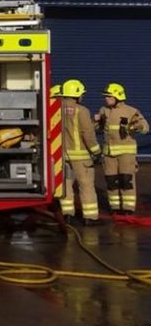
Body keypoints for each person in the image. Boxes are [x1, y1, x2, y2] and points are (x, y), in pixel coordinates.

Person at [95, 83, 148, 215]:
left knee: (126, 180)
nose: (106, 99)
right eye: (106, 97)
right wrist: (95, 121)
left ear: (118, 96)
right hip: (109, 153)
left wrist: (137, 126)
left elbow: (145, 126)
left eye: (109, 96)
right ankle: (115, 207)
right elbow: (96, 129)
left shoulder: (131, 111)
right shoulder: (103, 110)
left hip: (126, 153)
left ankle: (128, 208)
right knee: (111, 181)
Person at [59, 79, 104, 225]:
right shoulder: (82, 110)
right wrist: (96, 151)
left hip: (63, 157)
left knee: (65, 187)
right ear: (77, 94)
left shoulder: (55, 108)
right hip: (81, 158)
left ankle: (67, 215)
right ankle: (90, 218)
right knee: (86, 187)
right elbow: (87, 133)